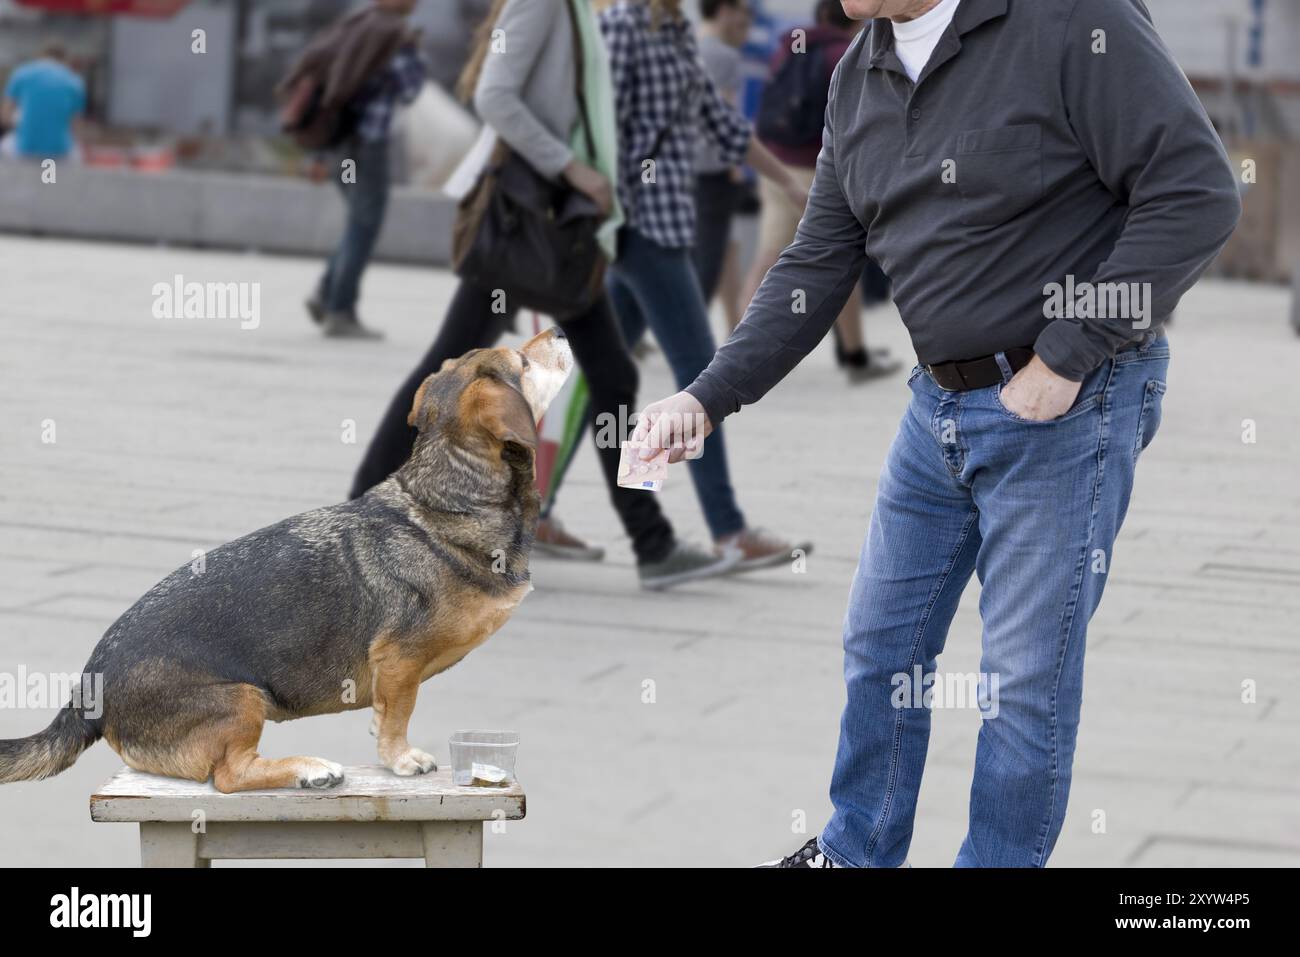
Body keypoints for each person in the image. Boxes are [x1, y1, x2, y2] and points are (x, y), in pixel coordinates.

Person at [634, 0, 1241, 866]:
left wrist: (1068, 354)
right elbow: (816, 263)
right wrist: (704, 397)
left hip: (1069, 402)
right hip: (936, 409)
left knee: (1022, 685)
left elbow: (1197, 191)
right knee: (881, 646)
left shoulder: (1070, 22)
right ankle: (855, 851)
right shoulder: (859, 70)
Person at [349, 0, 739, 591]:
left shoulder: (574, 9)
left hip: (554, 226)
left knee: (603, 373)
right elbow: (495, 96)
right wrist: (574, 170)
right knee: (464, 367)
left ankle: (650, 540)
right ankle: (361, 516)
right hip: (532, 221)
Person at [600, 0, 810, 570]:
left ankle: (534, 513)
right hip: (640, 231)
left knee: (603, 375)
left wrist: (790, 184)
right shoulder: (622, 23)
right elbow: (602, 121)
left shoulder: (675, 30)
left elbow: (722, 127)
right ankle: (727, 531)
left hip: (664, 225)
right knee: (700, 378)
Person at [744, 0, 899, 384]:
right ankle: (852, 355)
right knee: (831, 260)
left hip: (777, 163)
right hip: (817, 168)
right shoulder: (844, 54)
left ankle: (742, 351)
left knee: (778, 257)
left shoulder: (790, 45)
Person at [292, 0, 427, 340]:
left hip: (340, 142)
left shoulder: (358, 23)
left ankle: (325, 293)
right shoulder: (395, 33)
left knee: (357, 222)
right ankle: (340, 310)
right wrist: (416, 54)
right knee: (364, 225)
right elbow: (408, 89)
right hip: (368, 145)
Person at [691, 0, 751, 310]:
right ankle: (689, 334)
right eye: (741, 9)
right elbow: (728, 117)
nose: (745, 17)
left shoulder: (688, 47)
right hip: (714, 172)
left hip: (681, 167)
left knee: (726, 249)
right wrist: (735, 167)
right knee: (707, 263)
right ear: (724, 10)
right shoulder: (725, 56)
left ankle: (734, 327)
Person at [1, 44, 85, 162]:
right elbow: (75, 124)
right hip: (60, 150)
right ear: (64, 59)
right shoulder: (73, 80)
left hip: (23, 148)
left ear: (40, 56)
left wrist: (22, 126)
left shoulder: (22, 73)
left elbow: (5, 115)